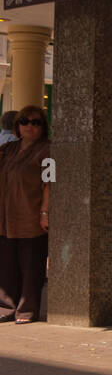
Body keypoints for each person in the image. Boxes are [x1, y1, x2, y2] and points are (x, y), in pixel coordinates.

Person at [0, 106, 53, 323]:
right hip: (5, 217)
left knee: (31, 266)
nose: (29, 126)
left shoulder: (49, 150)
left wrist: (44, 212)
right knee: (6, 264)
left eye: (36, 122)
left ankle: (27, 310)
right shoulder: (7, 149)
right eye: (24, 121)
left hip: (31, 215)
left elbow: (50, 183)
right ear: (17, 125)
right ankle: (6, 308)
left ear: (43, 126)